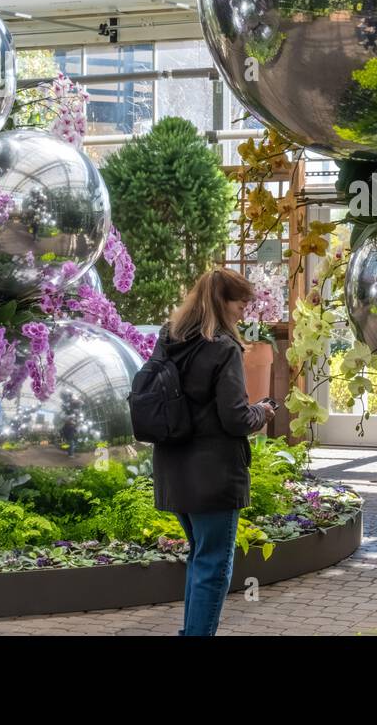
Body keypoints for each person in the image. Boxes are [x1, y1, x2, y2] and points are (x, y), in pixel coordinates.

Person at [152, 268, 276, 636]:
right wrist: (263, 412)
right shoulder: (223, 347)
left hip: (173, 467)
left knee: (200, 560)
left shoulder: (168, 338)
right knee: (214, 566)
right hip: (214, 474)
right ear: (222, 302)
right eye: (240, 302)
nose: (243, 311)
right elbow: (235, 418)